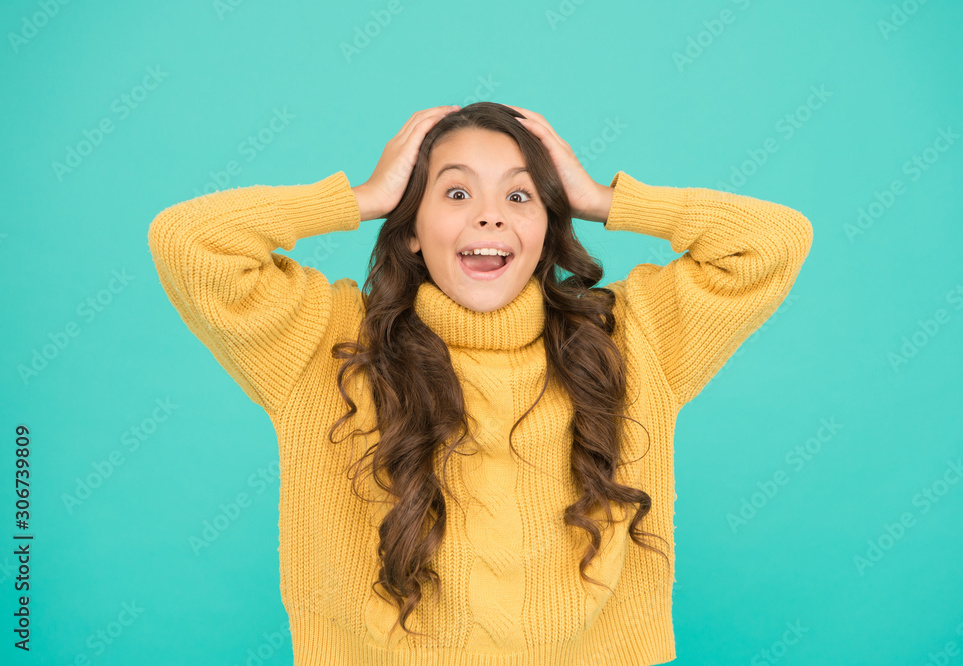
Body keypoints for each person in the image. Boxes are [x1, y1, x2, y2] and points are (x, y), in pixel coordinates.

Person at [147, 102, 813, 664]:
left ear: (547, 227)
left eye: (520, 195)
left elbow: (773, 241)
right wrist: (364, 198)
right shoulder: (327, 339)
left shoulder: (633, 339)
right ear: (411, 231)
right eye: (457, 191)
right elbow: (189, 241)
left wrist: (603, 198)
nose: (490, 216)